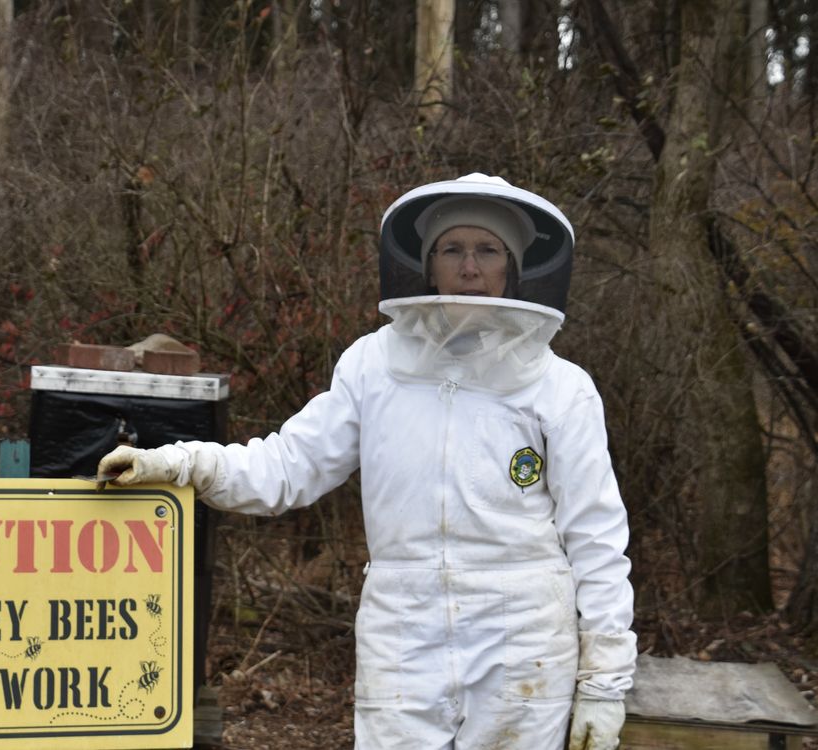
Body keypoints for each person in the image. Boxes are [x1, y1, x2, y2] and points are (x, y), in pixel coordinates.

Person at [98, 173, 637, 750]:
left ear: (515, 266)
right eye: (452, 249)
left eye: (488, 250)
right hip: (403, 629)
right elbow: (286, 467)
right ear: (428, 264)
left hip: (524, 637)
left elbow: (596, 539)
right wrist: (178, 464)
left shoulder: (561, 387)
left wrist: (604, 682)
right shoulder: (373, 366)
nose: (470, 267)